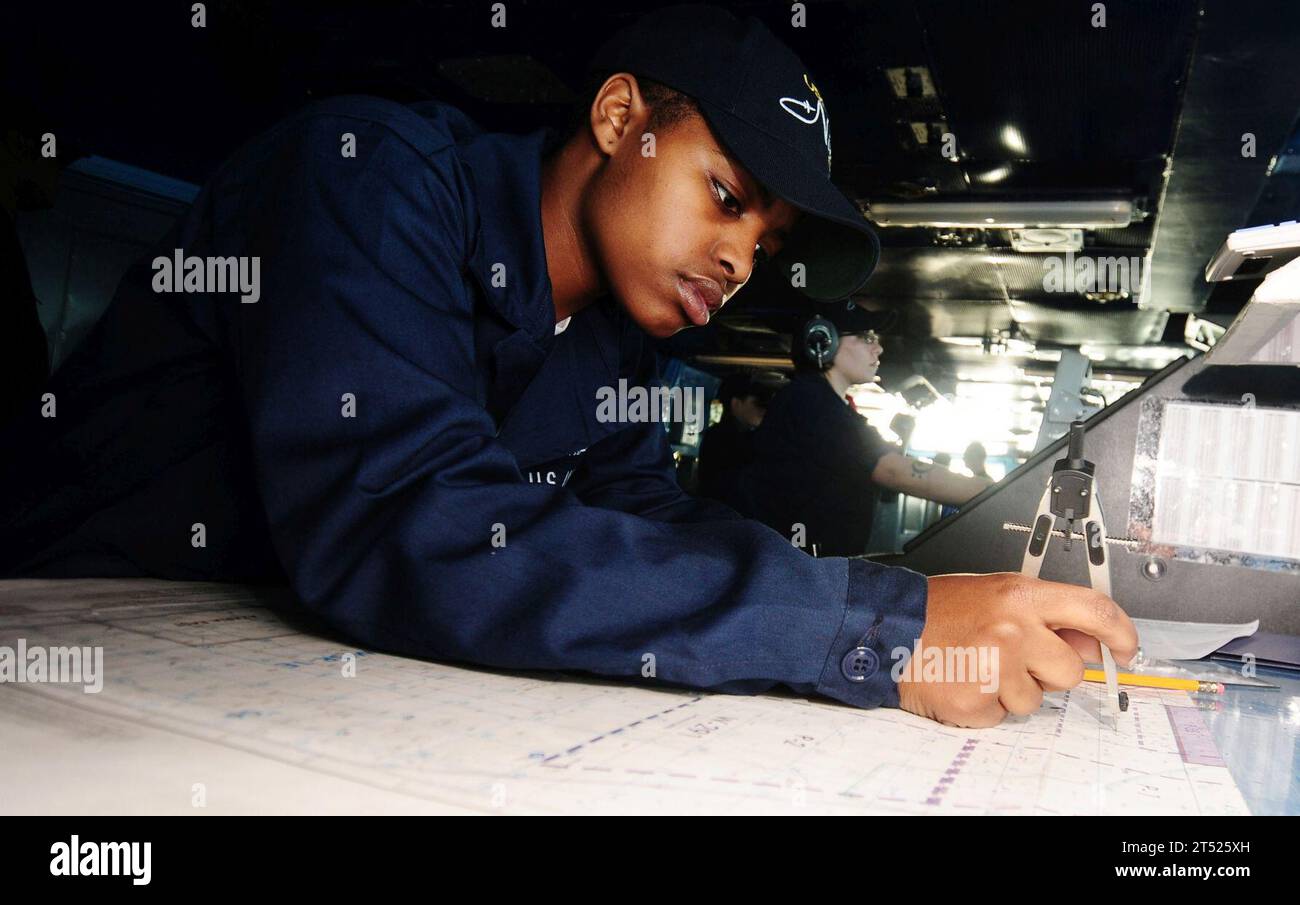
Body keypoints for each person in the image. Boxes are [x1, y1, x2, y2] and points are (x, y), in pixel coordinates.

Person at [0, 6, 1135, 727]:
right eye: (727, 198)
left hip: (257, 656)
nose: (740, 256)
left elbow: (646, 517)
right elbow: (411, 517)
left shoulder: (612, 343)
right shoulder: (368, 173)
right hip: (64, 631)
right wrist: (866, 626)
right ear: (616, 118)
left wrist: (901, 604)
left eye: (765, 243)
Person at [735, 300, 994, 557]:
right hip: (794, 572)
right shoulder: (811, 402)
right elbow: (893, 470)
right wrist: (1000, 493)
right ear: (823, 341)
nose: (878, 348)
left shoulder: (824, 404)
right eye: (865, 338)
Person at [695, 371, 776, 506]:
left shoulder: (719, 435)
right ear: (736, 404)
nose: (763, 410)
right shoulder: (722, 439)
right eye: (757, 403)